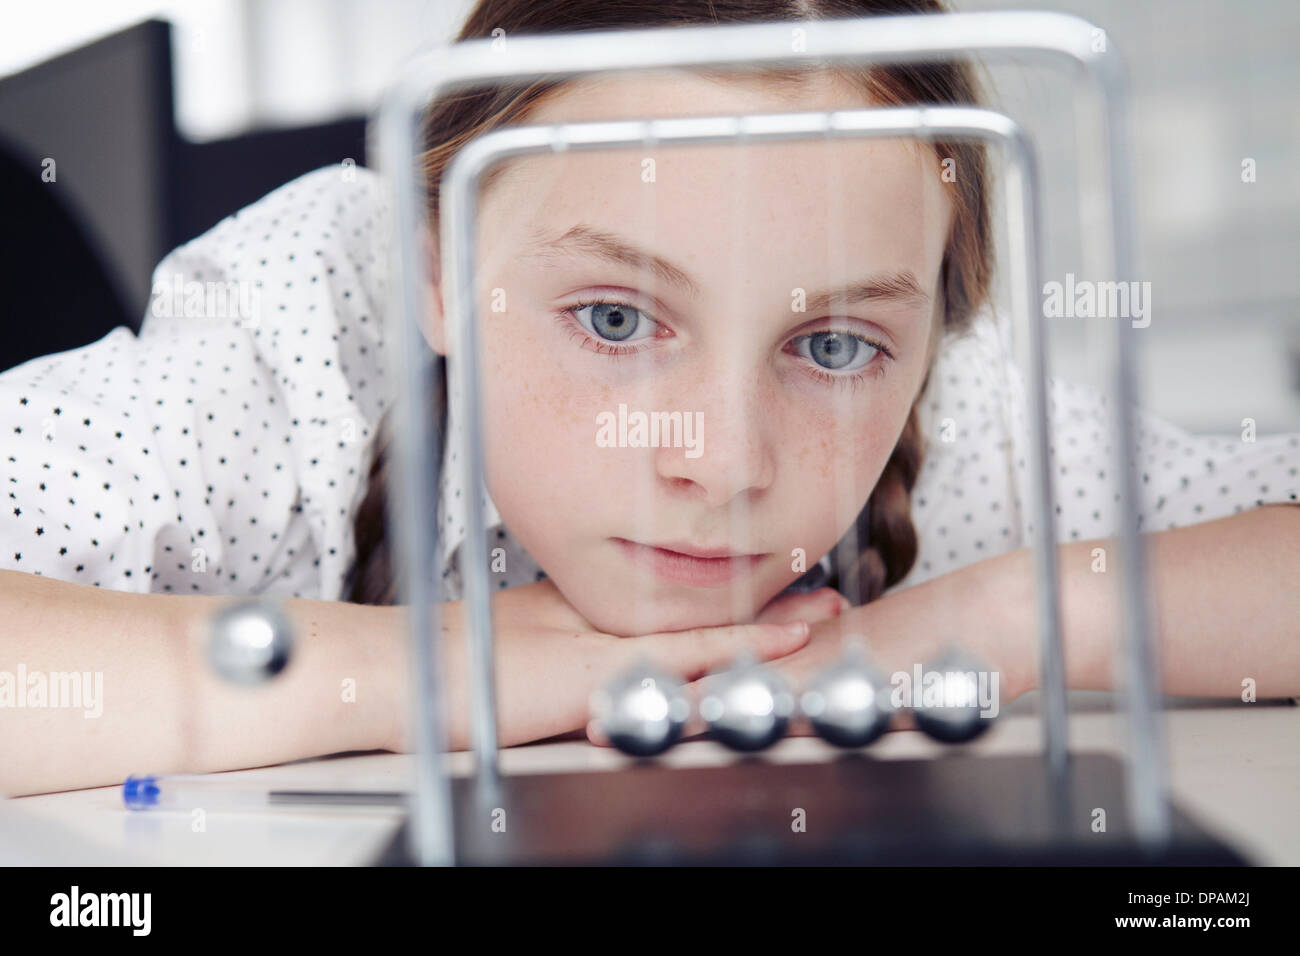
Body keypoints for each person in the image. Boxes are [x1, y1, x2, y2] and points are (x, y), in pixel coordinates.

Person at [2, 0, 1296, 797]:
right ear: (438, 269)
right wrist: (437, 673)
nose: (724, 462)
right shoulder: (299, 327)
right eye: (616, 320)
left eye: (835, 346)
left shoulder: (956, 410)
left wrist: (1016, 614)